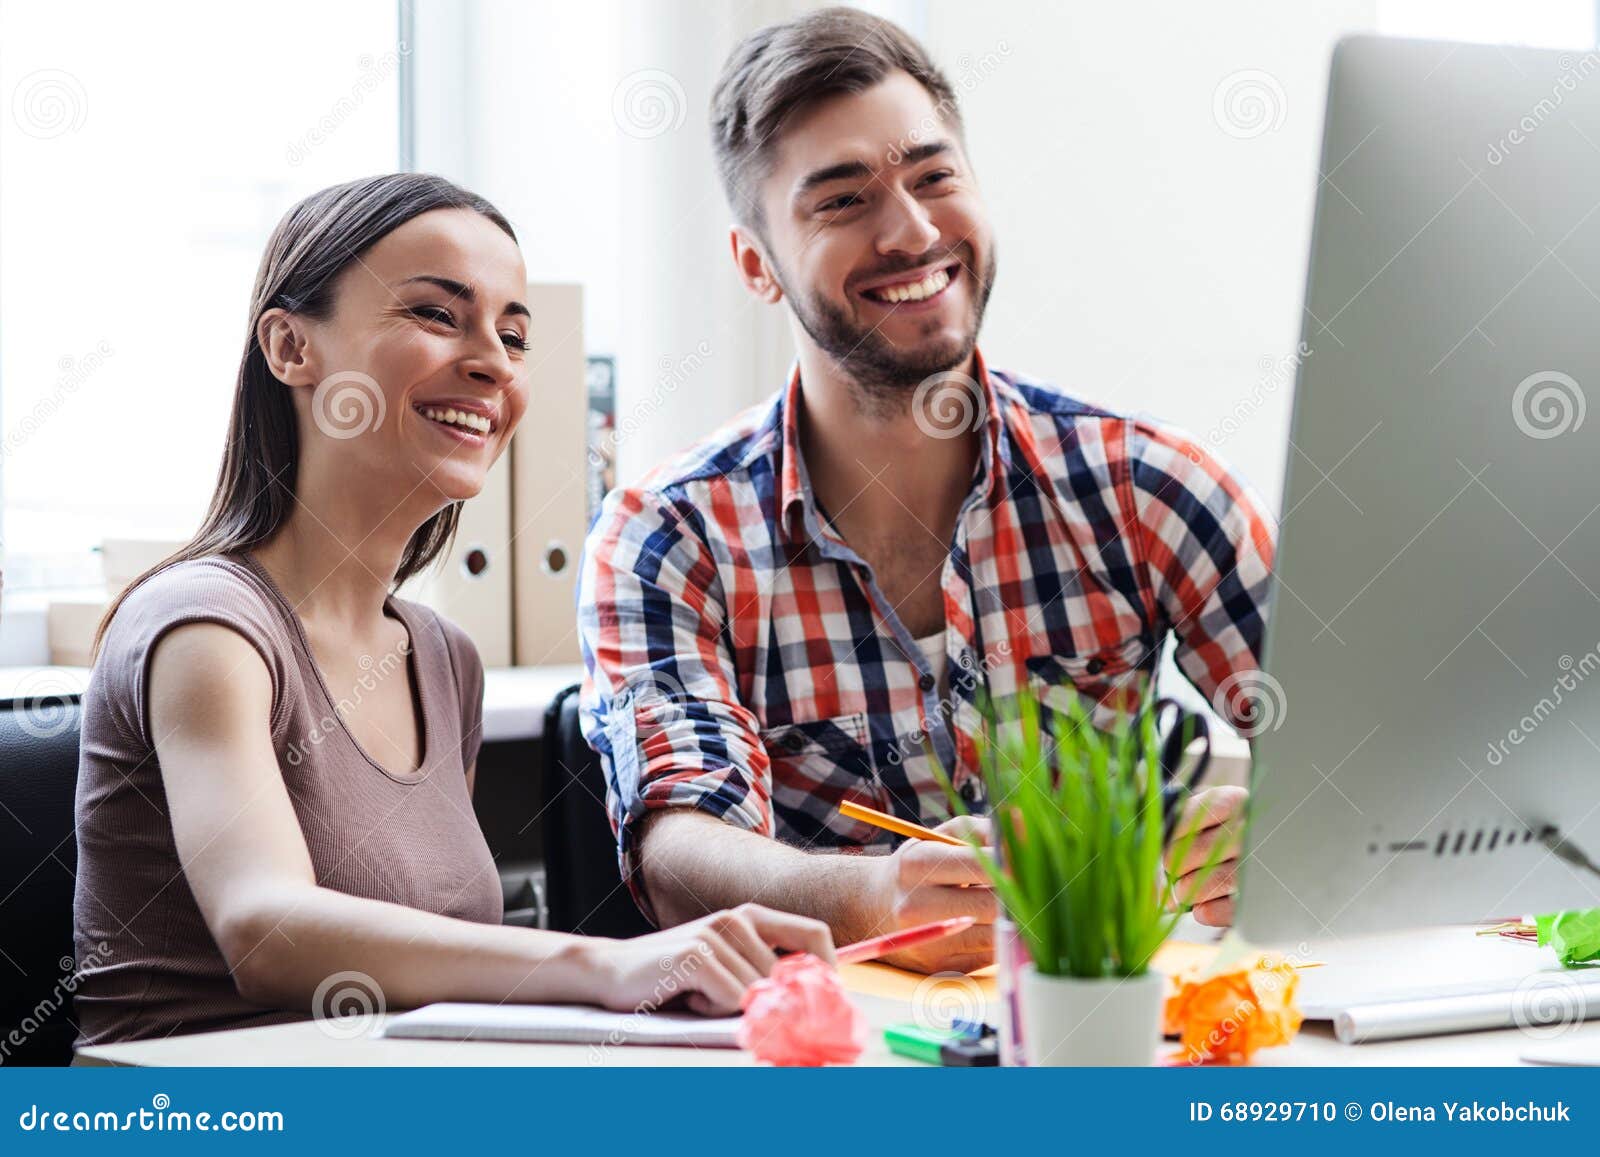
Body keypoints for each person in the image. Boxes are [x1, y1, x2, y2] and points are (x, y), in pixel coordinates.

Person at [578, 8, 1273, 974]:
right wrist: (871, 897)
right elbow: (674, 850)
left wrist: (1290, 829)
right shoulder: (669, 535)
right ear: (756, 264)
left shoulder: (1148, 487)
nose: (910, 230)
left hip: (1094, 1049)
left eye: (935, 177)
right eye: (842, 200)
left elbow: (1371, 750)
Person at [72, 173, 832, 1048]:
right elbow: (266, 929)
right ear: (290, 347)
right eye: (437, 315)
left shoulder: (442, 658)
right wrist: (605, 963)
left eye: (513, 334)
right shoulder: (206, 627)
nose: (493, 362)